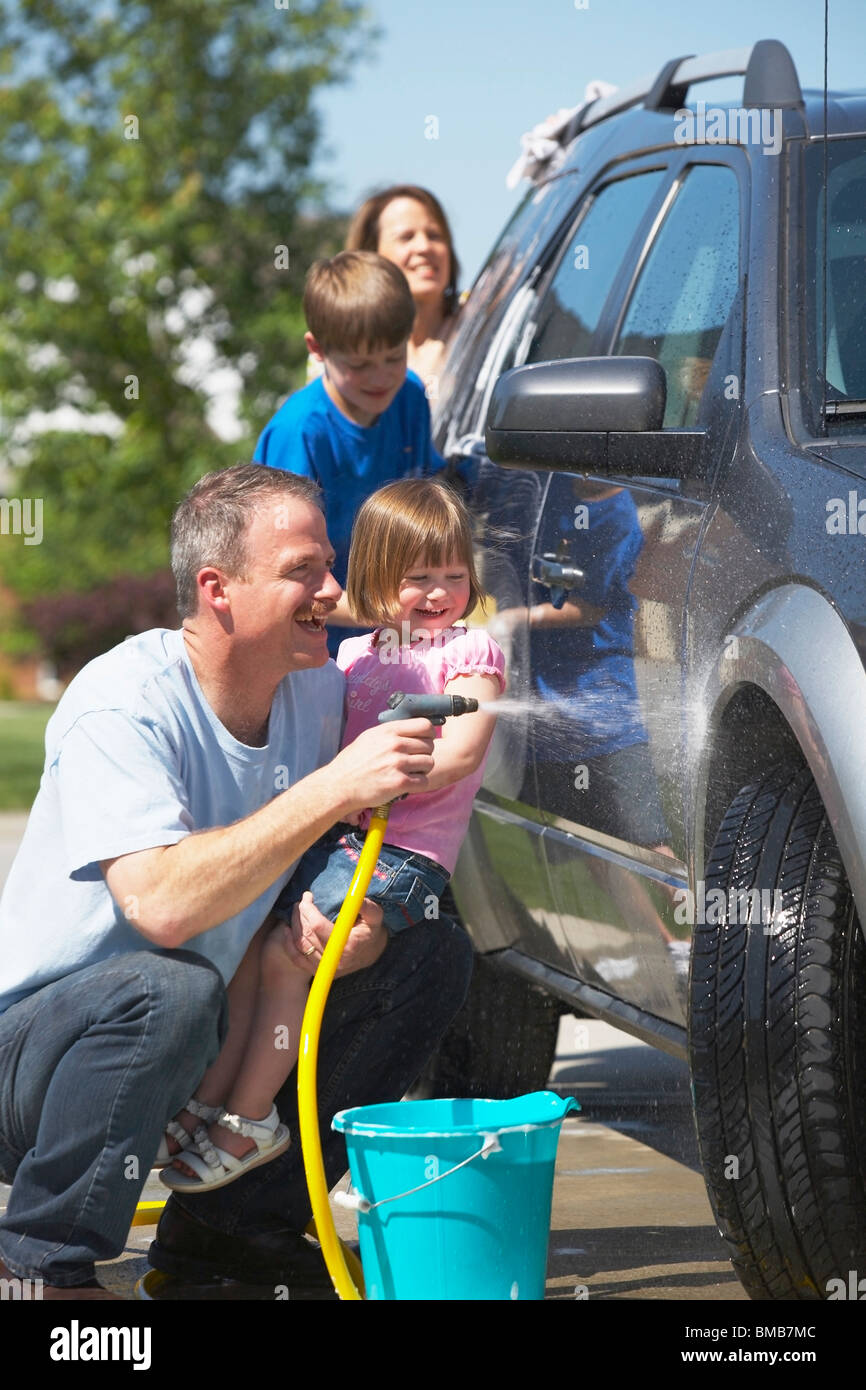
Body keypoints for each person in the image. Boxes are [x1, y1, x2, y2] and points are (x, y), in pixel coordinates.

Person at [0, 463, 473, 1297]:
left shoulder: (319, 693)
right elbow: (162, 906)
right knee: (165, 989)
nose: (332, 588)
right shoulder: (124, 702)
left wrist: (348, 930)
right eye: (303, 570)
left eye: (328, 565)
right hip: (34, 1070)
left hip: (194, 1047)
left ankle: (229, 1234)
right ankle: (39, 1260)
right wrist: (334, 785)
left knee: (429, 945)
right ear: (218, 589)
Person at [159, 478, 504, 1192]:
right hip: (344, 839)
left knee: (291, 960)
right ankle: (207, 1100)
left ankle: (250, 1121)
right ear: (377, 579)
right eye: (418, 579)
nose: (439, 594)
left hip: (404, 860)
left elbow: (465, 752)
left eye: (454, 575)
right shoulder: (356, 658)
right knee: (255, 943)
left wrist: (386, 777)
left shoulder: (470, 654)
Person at [254, 250, 447, 657]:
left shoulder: (410, 395)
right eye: (359, 365)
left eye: (393, 358)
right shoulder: (301, 433)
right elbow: (283, 580)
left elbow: (430, 496)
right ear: (318, 348)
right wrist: (383, 611)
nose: (380, 378)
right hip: (312, 652)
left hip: (397, 640)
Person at [344, 185, 463, 393]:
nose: (424, 246)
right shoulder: (343, 348)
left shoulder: (479, 322)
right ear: (371, 256)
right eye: (406, 237)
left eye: (434, 235)